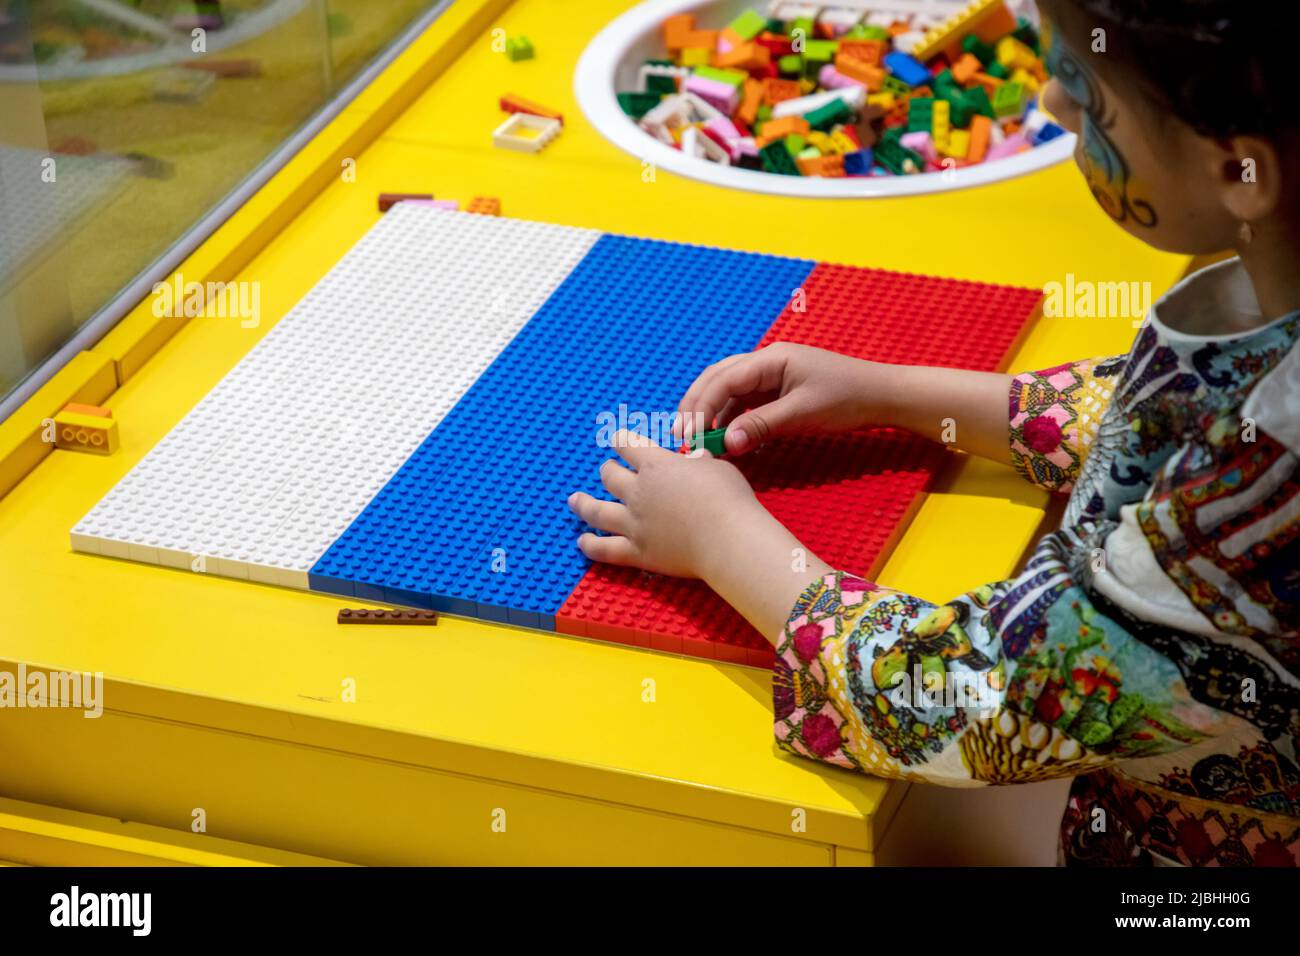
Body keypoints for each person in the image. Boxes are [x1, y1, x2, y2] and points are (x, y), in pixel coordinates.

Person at [567, 0, 1300, 865]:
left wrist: (720, 535)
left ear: (1242, 174)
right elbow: (1179, 411)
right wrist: (896, 393)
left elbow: (965, 698)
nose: (1055, 112)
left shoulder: (1250, 511)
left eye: (1078, 85)